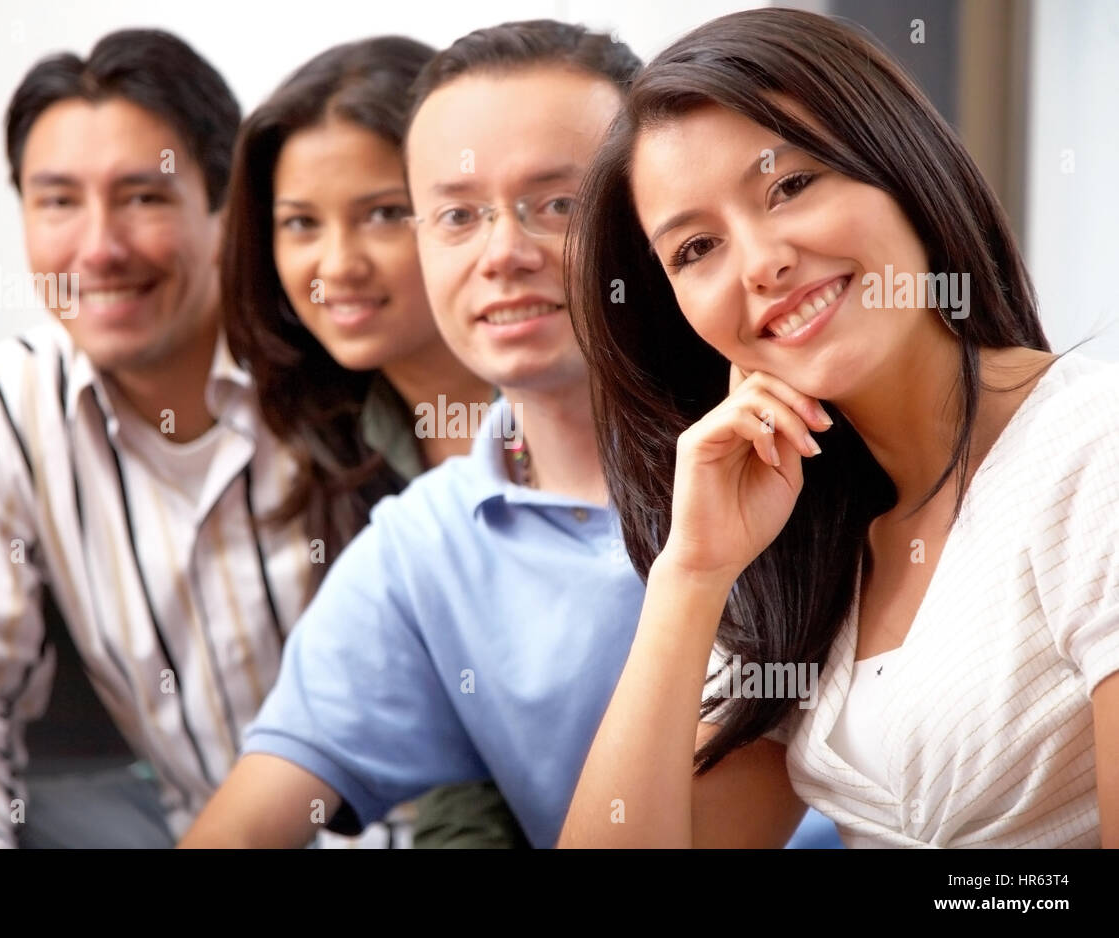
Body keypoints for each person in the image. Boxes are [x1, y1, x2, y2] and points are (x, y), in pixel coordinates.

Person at [182, 18, 839, 849]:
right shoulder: (423, 546)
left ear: (652, 223)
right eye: (457, 216)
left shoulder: (806, 441)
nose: (502, 252)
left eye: (558, 205)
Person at [559, 8, 1119, 848]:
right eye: (696, 248)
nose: (760, 263)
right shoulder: (802, 539)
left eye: (790, 185)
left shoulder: (1091, 449)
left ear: (904, 167)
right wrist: (693, 574)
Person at [0, 29, 310, 848]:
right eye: (57, 201)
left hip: (364, 835)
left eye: (143, 197)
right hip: (178, 819)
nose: (99, 248)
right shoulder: (1, 406)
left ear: (223, 207)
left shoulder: (330, 372)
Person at [222, 34, 516, 847]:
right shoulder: (337, 438)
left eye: (384, 214)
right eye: (300, 224)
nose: (336, 264)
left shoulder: (566, 411)